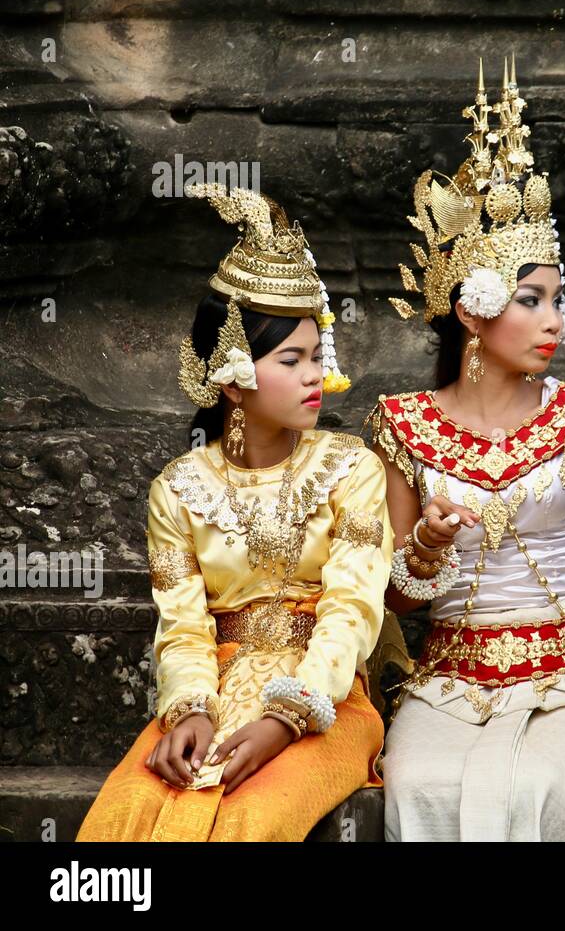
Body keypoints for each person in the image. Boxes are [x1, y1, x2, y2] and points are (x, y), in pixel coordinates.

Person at [370, 57, 565, 841]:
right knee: (420, 786)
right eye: (531, 299)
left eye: (557, 299)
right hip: (451, 682)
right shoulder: (402, 423)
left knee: (535, 790)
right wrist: (426, 548)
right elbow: (398, 599)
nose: (553, 320)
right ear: (473, 314)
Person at [78, 185, 394, 841]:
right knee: (125, 816)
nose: (316, 375)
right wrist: (190, 711)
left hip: (329, 701)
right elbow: (184, 626)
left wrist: (287, 717)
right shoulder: (179, 487)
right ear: (232, 378)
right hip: (214, 697)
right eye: (292, 359)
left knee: (249, 818)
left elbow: (353, 606)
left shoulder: (352, 466)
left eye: (317, 355)